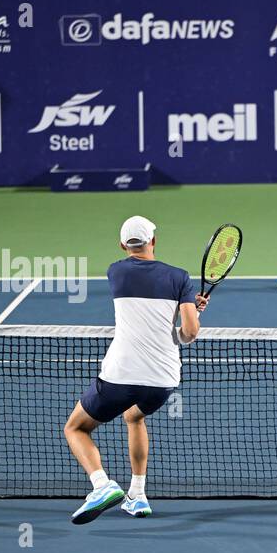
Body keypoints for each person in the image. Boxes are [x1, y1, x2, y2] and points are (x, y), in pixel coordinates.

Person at [64, 216, 208, 524]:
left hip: (121, 375)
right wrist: (189, 311)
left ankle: (102, 485)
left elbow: (146, 302)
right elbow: (189, 333)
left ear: (122, 246)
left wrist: (183, 307)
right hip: (163, 381)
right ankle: (138, 495)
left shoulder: (115, 272)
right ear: (154, 241)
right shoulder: (180, 277)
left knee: (75, 428)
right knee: (134, 415)